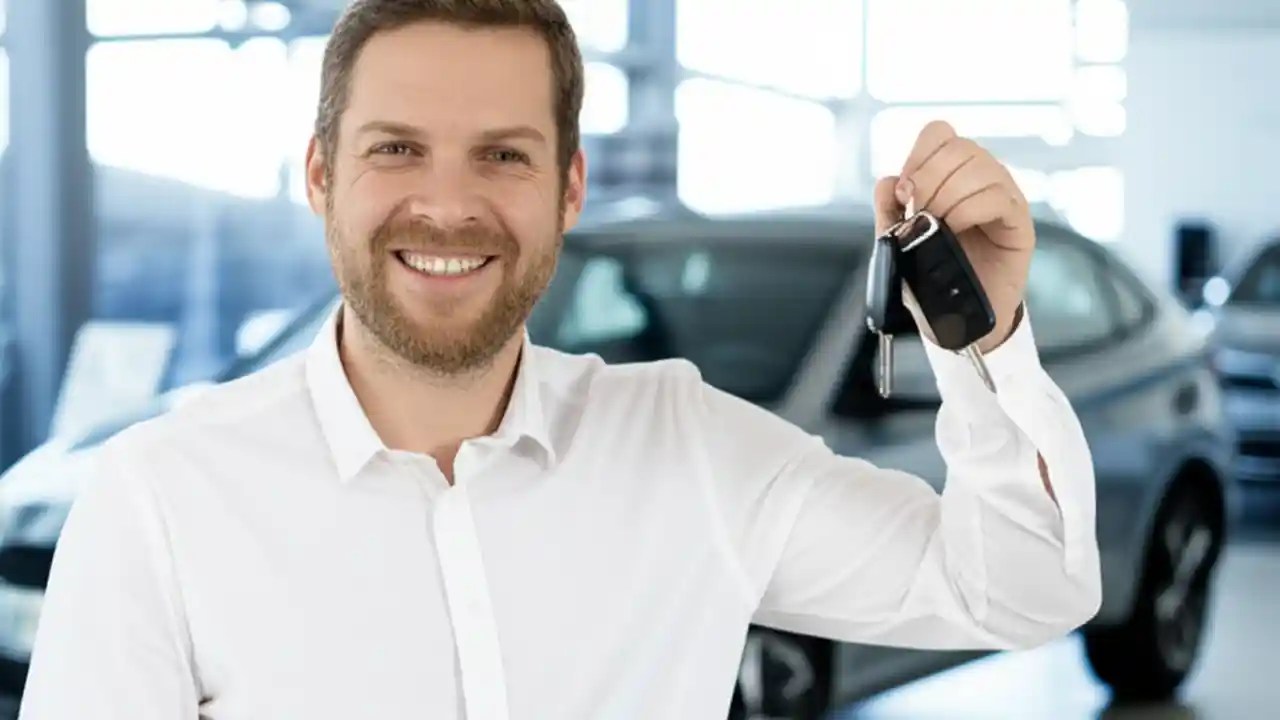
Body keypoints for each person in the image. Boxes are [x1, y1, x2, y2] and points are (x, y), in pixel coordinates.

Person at [18, 1, 1101, 718]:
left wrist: (981, 338)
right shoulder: (162, 497)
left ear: (568, 187)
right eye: (397, 148)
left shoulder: (693, 452)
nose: (448, 204)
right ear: (318, 172)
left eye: (502, 155)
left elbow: (1021, 592)